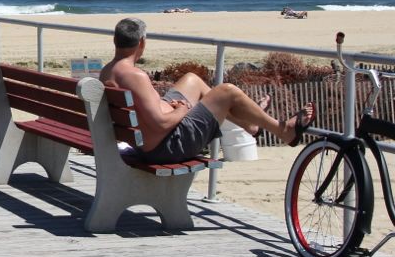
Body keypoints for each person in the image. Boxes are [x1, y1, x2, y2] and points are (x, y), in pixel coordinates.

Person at [100, 17, 314, 164]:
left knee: (192, 79)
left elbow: (147, 115)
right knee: (227, 91)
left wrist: (169, 107)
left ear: (114, 41)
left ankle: (249, 124)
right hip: (166, 148)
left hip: (145, 143)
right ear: (142, 43)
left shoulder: (107, 72)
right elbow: (160, 123)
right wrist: (181, 110)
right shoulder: (135, 76)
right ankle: (282, 129)